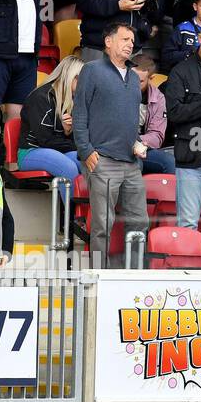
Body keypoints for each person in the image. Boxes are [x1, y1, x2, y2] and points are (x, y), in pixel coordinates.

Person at [73, 22, 147, 266]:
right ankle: (99, 278)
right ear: (108, 41)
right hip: (102, 159)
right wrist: (86, 151)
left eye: (132, 41)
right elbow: (80, 113)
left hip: (131, 162)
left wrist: (137, 141)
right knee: (102, 225)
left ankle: (131, 275)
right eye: (125, 39)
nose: (130, 44)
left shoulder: (135, 78)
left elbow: (130, 119)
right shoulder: (91, 70)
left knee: (139, 222)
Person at [18, 56, 84, 188]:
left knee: (85, 163)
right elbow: (45, 140)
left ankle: (85, 207)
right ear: (71, 76)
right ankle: (71, 208)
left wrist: (67, 132)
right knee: (68, 167)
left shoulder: (72, 99)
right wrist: (81, 147)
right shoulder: (41, 97)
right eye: (82, 79)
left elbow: (66, 140)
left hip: (55, 149)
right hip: (30, 151)